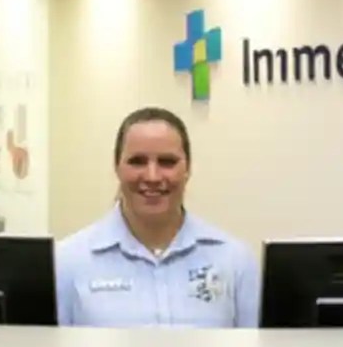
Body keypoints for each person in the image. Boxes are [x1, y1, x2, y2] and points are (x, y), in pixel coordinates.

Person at [55, 106, 261, 327]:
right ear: (117, 168)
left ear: (188, 169)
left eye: (167, 162)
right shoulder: (67, 263)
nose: (152, 176)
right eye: (137, 161)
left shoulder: (234, 260)